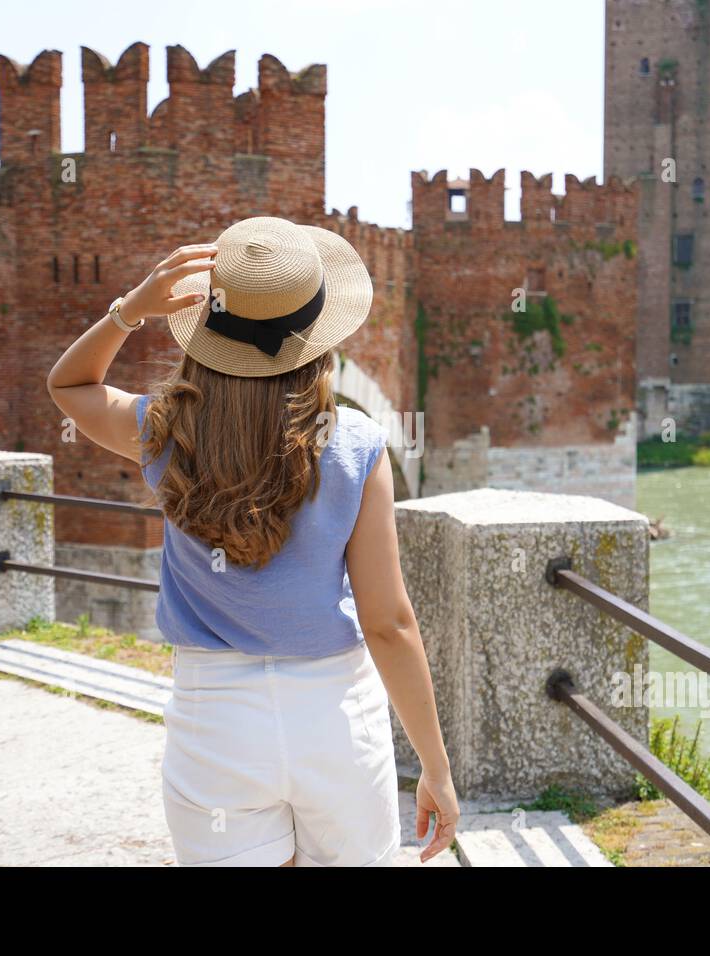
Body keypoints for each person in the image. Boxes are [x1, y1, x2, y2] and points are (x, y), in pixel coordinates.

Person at [46, 216, 459, 866]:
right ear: (317, 338)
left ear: (206, 331)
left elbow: (69, 386)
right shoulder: (355, 445)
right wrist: (435, 767)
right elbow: (389, 624)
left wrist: (130, 310)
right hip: (334, 719)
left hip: (215, 726)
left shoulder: (163, 432)